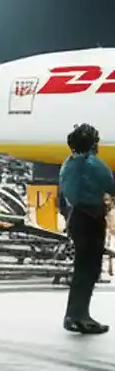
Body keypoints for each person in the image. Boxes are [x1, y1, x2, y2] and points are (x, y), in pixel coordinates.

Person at [58, 123, 115, 335]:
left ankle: (75, 315)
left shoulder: (68, 164)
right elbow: (111, 186)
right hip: (91, 218)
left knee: (82, 268)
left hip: (76, 218)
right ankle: (79, 316)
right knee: (89, 269)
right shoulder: (94, 165)